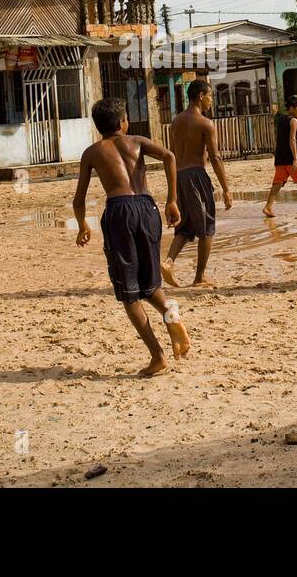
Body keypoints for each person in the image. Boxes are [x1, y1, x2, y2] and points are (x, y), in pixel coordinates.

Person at [74, 98, 191, 376]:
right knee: (150, 284)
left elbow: (78, 199)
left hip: (119, 211)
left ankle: (158, 356)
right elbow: (170, 157)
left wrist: (82, 225)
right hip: (147, 207)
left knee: (129, 294)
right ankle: (172, 316)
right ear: (123, 122)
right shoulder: (136, 141)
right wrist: (172, 201)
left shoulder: (92, 152)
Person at [163, 79, 233, 288]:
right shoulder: (205, 123)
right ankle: (199, 276)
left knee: (186, 226)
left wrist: (172, 193)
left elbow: (172, 156)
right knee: (207, 227)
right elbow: (215, 157)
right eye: (210, 96)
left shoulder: (176, 122)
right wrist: (226, 188)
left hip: (180, 175)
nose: (211, 100)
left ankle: (168, 262)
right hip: (196, 176)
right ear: (201, 96)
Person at [263, 95, 297, 217]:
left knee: (278, 182)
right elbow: (292, 140)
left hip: (279, 156)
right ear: (291, 108)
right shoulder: (293, 120)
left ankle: (268, 207)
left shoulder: (281, 119)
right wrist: (295, 158)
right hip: (290, 155)